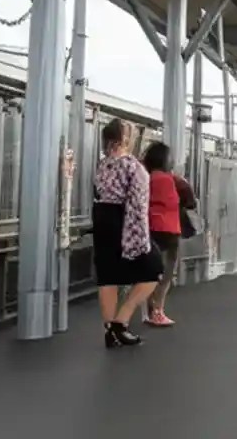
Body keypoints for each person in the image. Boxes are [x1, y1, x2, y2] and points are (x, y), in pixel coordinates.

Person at [92, 119, 163, 348]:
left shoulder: (103, 165)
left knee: (108, 276)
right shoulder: (133, 167)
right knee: (153, 268)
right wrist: (138, 239)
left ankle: (109, 331)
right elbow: (137, 205)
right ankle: (121, 322)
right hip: (125, 220)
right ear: (125, 139)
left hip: (102, 221)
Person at [141, 141, 185, 328]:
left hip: (150, 227)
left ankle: (148, 309)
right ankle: (158, 311)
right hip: (170, 230)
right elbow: (190, 198)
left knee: (151, 270)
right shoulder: (172, 179)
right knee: (167, 273)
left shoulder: (145, 178)